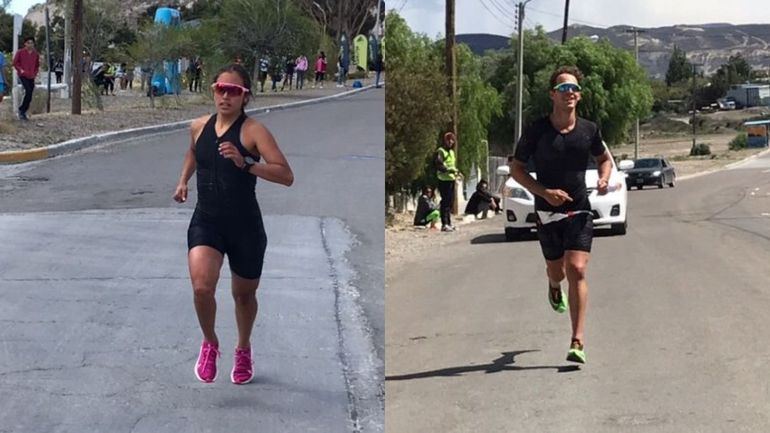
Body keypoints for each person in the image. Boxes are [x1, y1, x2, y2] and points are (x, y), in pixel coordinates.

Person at [173, 63, 294, 384]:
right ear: (213, 90)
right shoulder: (198, 126)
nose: (225, 96)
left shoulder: (254, 131)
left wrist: (247, 163)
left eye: (233, 91)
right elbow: (193, 153)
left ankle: (243, 348)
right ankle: (210, 343)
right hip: (207, 220)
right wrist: (183, 180)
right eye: (220, 89)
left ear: (245, 97)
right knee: (201, 287)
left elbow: (285, 175)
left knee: (243, 296)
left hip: (245, 226)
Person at [509, 65, 611, 364]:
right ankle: (554, 286)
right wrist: (543, 193)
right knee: (558, 271)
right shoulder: (537, 131)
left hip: (579, 208)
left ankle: (577, 340)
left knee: (577, 269)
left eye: (575, 89)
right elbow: (517, 168)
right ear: (552, 94)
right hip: (547, 213)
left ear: (579, 96)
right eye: (564, 88)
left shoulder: (589, 129)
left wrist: (603, 179)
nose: (571, 93)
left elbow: (604, 158)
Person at [435, 131, 461, 232]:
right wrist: (447, 170)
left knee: (450, 202)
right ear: (445, 141)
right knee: (445, 202)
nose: (450, 142)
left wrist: (457, 172)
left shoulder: (451, 152)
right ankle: (444, 224)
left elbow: (452, 165)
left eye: (452, 140)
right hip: (443, 179)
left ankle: (449, 223)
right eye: (449, 140)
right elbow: (438, 164)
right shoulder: (441, 151)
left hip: (451, 179)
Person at [12, 37, 40, 121]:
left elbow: (37, 65)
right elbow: (15, 63)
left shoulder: (35, 54)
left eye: (31, 43)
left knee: (30, 94)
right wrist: (21, 70)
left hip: (31, 76)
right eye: (28, 43)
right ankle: (21, 110)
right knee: (28, 91)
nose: (30, 44)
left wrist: (35, 73)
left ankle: (23, 111)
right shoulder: (20, 52)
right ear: (25, 44)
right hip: (23, 75)